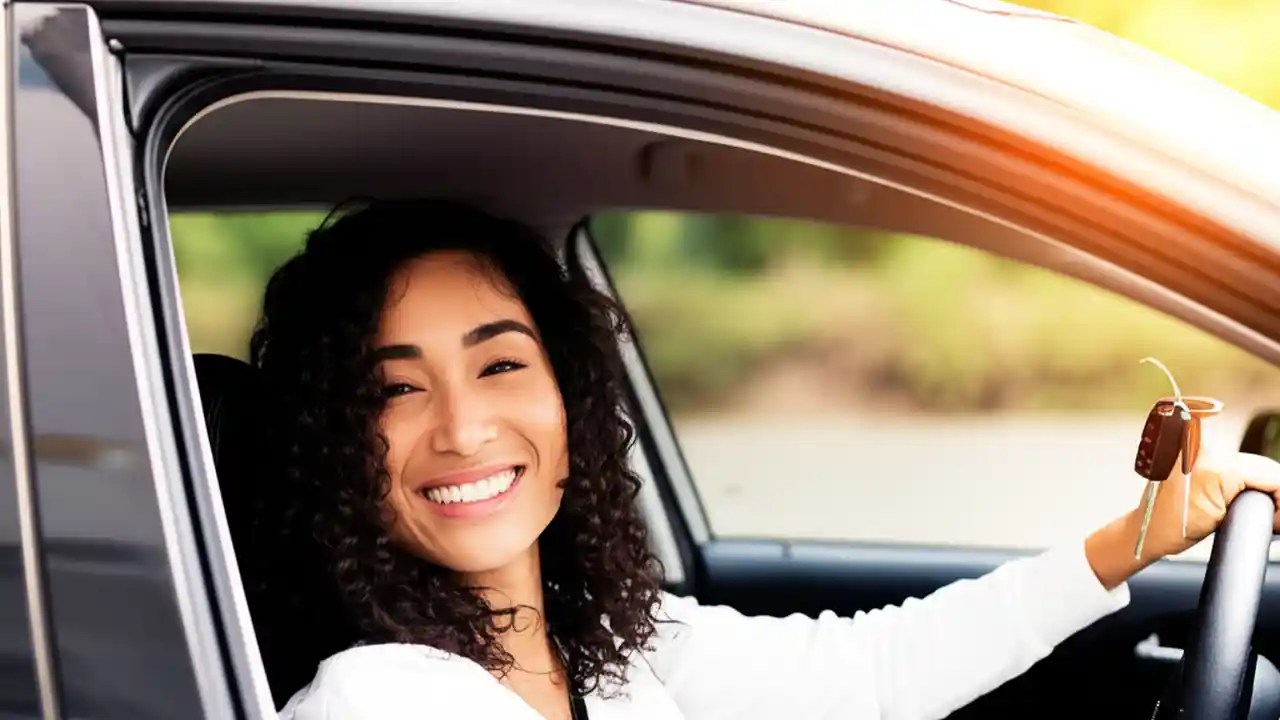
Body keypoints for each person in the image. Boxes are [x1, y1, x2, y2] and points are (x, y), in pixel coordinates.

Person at [249, 199, 1280, 720]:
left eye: (501, 365)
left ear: (568, 401)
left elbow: (875, 675)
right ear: (336, 447)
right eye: (394, 390)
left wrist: (1141, 535)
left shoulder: (607, 645)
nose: (464, 428)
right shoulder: (377, 699)